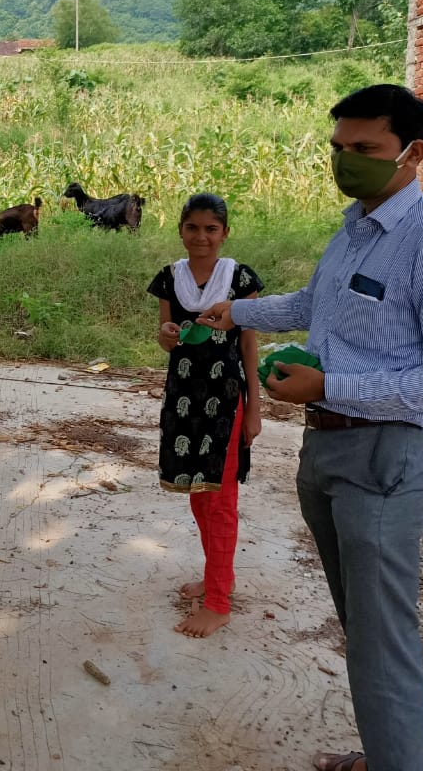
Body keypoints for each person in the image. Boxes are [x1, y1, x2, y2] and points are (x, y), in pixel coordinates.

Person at [198, 85, 423, 771]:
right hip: (328, 449)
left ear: (413, 153)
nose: (345, 160)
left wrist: (332, 386)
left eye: (364, 148)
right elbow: (315, 304)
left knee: (380, 637)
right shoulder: (355, 230)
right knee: (364, 626)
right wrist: (237, 313)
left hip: (385, 460)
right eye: (338, 147)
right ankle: (396, 757)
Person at [148, 194, 261, 638]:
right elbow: (165, 341)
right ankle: (220, 576)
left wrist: (254, 409)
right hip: (183, 400)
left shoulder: (240, 280)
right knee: (199, 494)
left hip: (226, 401)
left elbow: (247, 345)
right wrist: (167, 333)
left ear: (224, 233)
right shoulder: (169, 279)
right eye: (193, 228)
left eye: (211, 229)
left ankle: (217, 604)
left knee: (221, 501)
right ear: (181, 231)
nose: (201, 237)